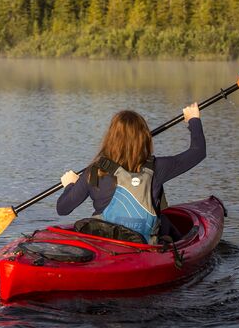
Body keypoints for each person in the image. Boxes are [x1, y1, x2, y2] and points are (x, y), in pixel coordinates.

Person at [56, 103, 205, 244]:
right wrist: (193, 119)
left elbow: (62, 209)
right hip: (143, 246)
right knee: (164, 221)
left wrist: (70, 185)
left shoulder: (95, 171)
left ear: (111, 138)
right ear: (144, 138)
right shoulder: (157, 167)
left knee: (164, 220)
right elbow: (198, 152)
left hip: (105, 243)